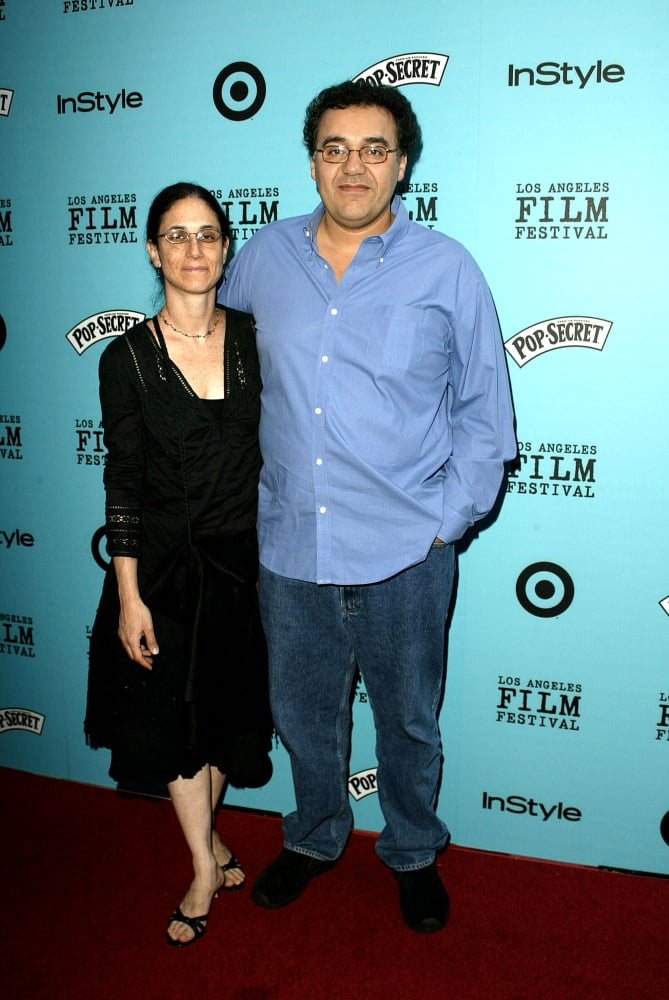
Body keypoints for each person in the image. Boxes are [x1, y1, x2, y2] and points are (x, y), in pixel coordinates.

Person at [218, 79, 516, 933]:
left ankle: (413, 849)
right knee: (304, 719)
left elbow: (484, 413)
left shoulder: (446, 267)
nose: (353, 165)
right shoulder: (261, 259)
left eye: (373, 148)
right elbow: (220, 380)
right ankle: (313, 836)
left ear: (402, 165)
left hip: (406, 552)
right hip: (288, 546)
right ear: (312, 160)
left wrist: (441, 523)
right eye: (334, 148)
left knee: (409, 723)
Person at [85, 182, 271, 947]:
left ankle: (211, 841)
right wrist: (129, 597)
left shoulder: (260, 338)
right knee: (173, 726)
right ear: (153, 250)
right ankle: (202, 863)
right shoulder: (124, 359)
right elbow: (122, 483)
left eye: (207, 234)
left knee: (223, 721)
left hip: (244, 570)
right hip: (159, 575)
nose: (194, 249)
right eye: (176, 235)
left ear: (226, 248)